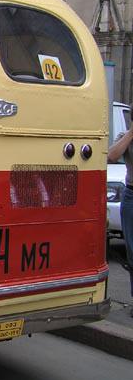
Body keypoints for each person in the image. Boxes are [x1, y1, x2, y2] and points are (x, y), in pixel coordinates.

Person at [108, 124, 133, 317]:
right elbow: (112, 155)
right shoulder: (125, 137)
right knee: (131, 251)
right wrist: (131, 133)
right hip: (131, 195)